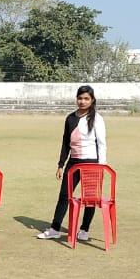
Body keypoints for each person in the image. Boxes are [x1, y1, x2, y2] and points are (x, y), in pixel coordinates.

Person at [37, 85, 107, 241]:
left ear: (92, 100)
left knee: (89, 198)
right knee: (64, 195)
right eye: (80, 98)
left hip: (91, 163)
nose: (83, 101)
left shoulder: (97, 118)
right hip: (73, 162)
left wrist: (101, 166)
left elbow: (102, 144)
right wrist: (61, 165)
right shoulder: (70, 118)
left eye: (86, 98)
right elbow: (65, 143)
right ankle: (55, 228)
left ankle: (84, 230)